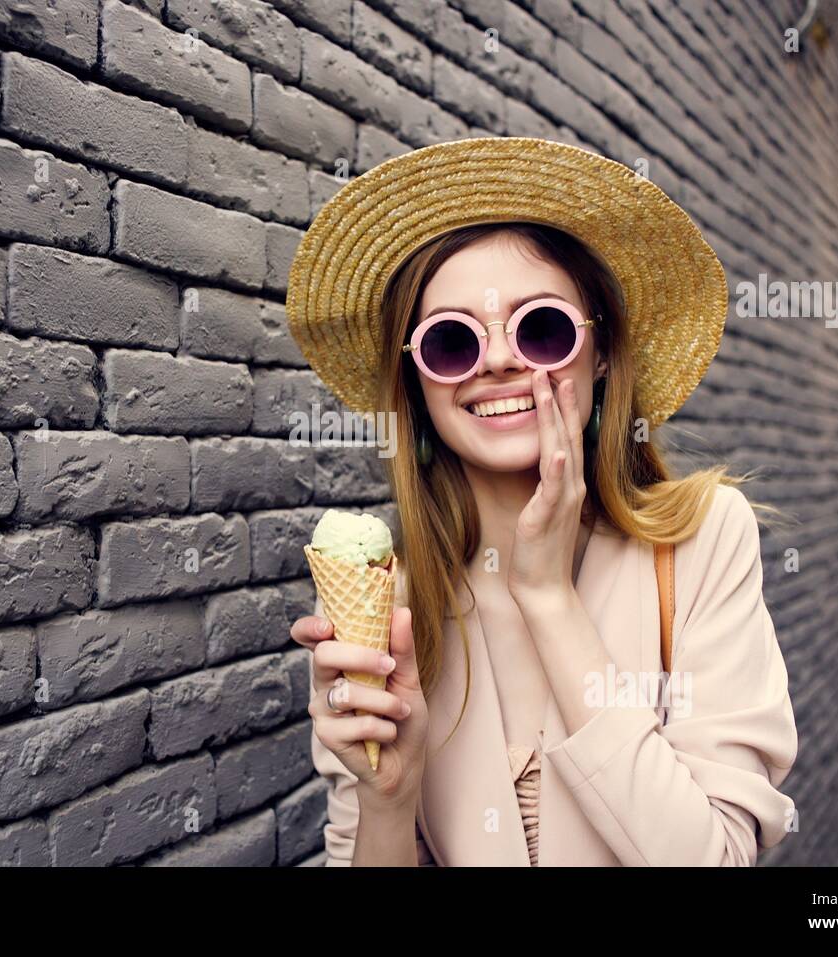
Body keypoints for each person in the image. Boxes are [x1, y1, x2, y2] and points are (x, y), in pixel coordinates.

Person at [284, 137, 798, 866]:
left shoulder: (704, 538)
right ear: (419, 388)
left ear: (602, 353)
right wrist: (389, 800)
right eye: (453, 342)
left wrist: (547, 595)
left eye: (542, 329)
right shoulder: (385, 606)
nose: (498, 359)